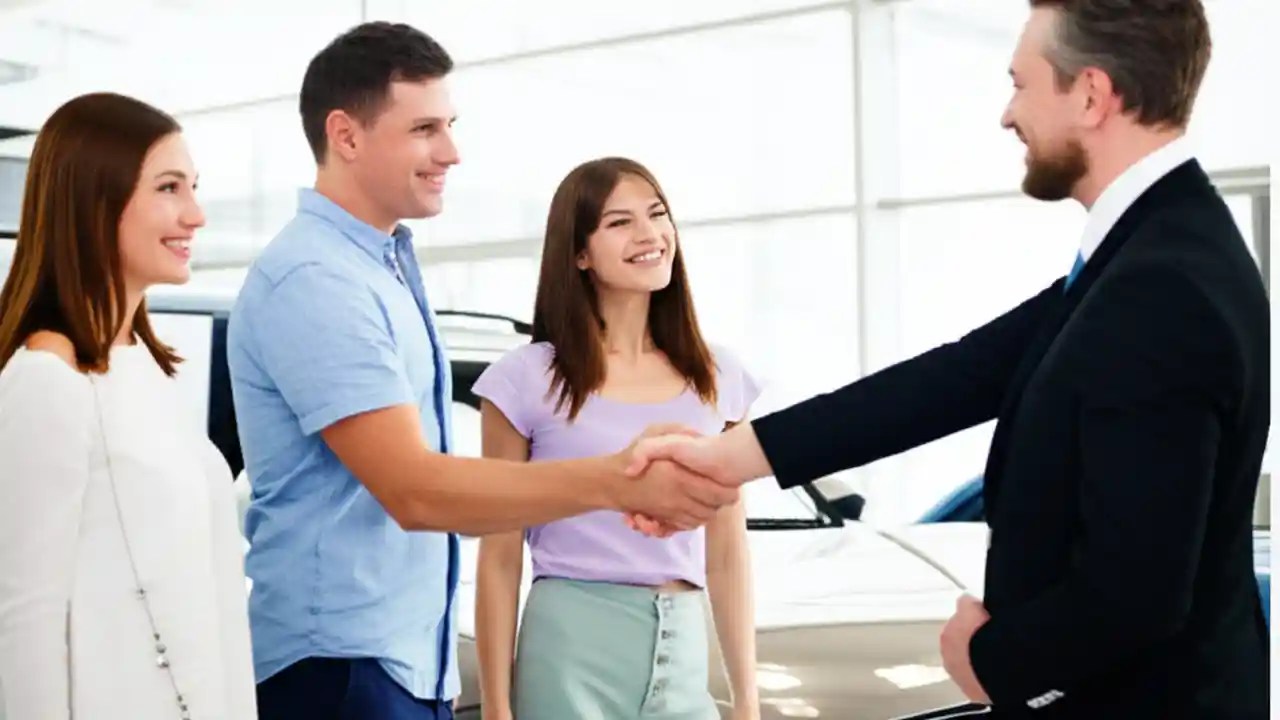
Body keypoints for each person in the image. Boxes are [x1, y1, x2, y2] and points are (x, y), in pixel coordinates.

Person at [627, 1, 1269, 718]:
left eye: (1021, 84)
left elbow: (1139, 591)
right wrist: (728, 458)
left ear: (1090, 95)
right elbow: (957, 377)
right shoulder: (1148, 250)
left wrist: (995, 663)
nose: (1006, 114)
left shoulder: (1163, 284)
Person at [226, 23, 736, 720]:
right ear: (345, 136)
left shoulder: (380, 269)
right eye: (425, 129)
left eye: (451, 125)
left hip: (397, 664)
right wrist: (617, 479)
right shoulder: (318, 281)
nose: (451, 152)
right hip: (344, 669)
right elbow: (417, 492)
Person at [472, 157, 761, 720]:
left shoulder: (718, 376)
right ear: (579, 253)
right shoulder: (526, 379)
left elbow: (727, 551)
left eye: (657, 215)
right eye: (620, 222)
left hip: (683, 646)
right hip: (570, 646)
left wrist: (746, 699)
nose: (649, 234)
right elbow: (500, 555)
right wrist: (497, 708)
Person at [0, 93, 257, 719]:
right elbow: (21, 626)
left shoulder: (142, 368)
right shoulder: (45, 381)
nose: (195, 214)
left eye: (193, 187)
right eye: (169, 188)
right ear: (95, 203)